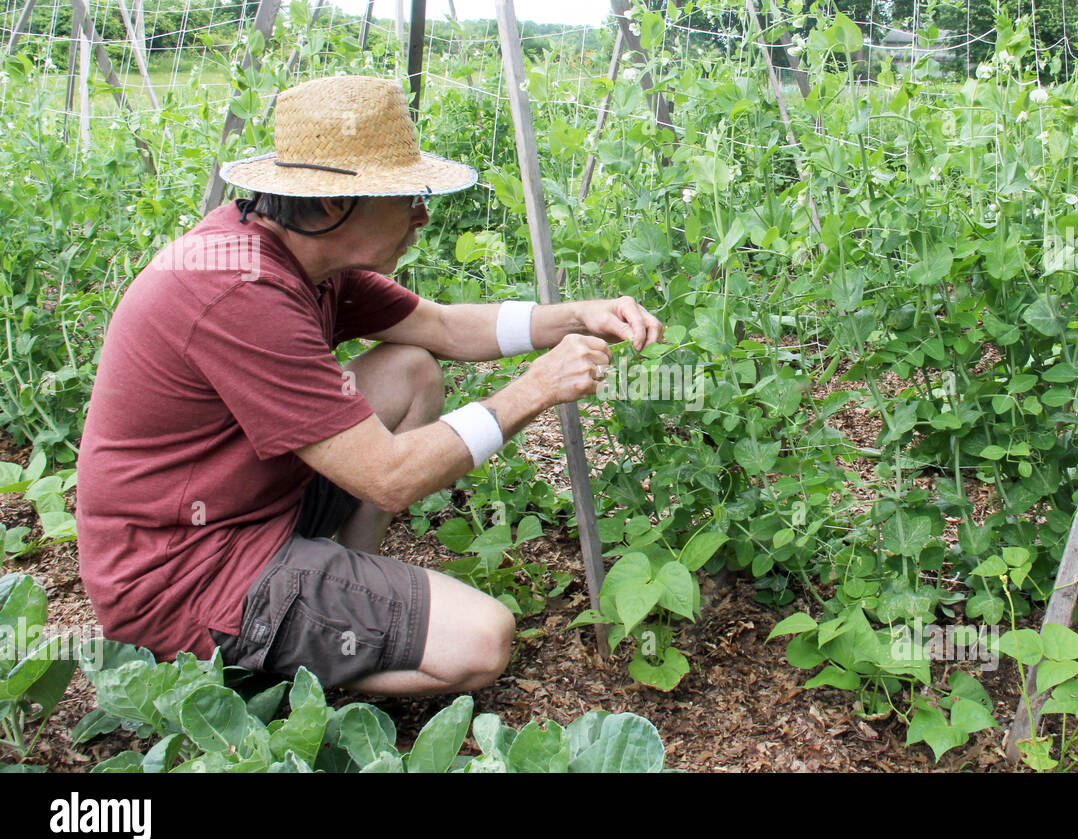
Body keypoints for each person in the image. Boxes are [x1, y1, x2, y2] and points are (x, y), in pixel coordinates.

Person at [75, 74, 663, 696]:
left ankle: (350, 592)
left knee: (409, 368)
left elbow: (442, 327)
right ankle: (283, 680)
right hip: (182, 572)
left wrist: (578, 315)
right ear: (332, 204)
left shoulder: (304, 252)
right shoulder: (237, 292)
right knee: (481, 640)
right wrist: (533, 390)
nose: (422, 214)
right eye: (403, 195)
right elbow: (390, 476)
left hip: (248, 505)